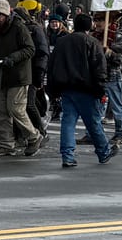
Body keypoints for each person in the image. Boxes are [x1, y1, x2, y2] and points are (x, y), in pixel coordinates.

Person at [46, 12, 118, 168]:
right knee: (93, 123)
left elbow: (51, 66)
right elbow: (99, 69)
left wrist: (52, 91)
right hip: (87, 89)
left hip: (66, 88)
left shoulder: (62, 42)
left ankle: (68, 155)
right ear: (89, 26)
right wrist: (101, 91)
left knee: (68, 123)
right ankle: (103, 152)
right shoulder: (92, 43)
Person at [0, 0, 40, 157]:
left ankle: (33, 136)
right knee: (1, 112)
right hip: (2, 75)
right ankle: (6, 144)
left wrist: (13, 58)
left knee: (15, 109)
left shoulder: (19, 28)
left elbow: (30, 49)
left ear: (5, 14)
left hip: (19, 76)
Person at [93, 12, 122, 145]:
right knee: (95, 106)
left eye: (100, 20)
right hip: (96, 76)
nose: (97, 23)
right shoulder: (94, 36)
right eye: (96, 20)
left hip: (112, 76)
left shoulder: (117, 37)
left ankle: (121, 133)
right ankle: (92, 133)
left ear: (108, 21)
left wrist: (110, 53)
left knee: (116, 106)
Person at [12, 5, 48, 136]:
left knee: (29, 104)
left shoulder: (34, 30)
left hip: (32, 72)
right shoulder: (13, 30)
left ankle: (41, 132)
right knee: (19, 105)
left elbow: (42, 53)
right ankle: (20, 134)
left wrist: (39, 74)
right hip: (19, 73)